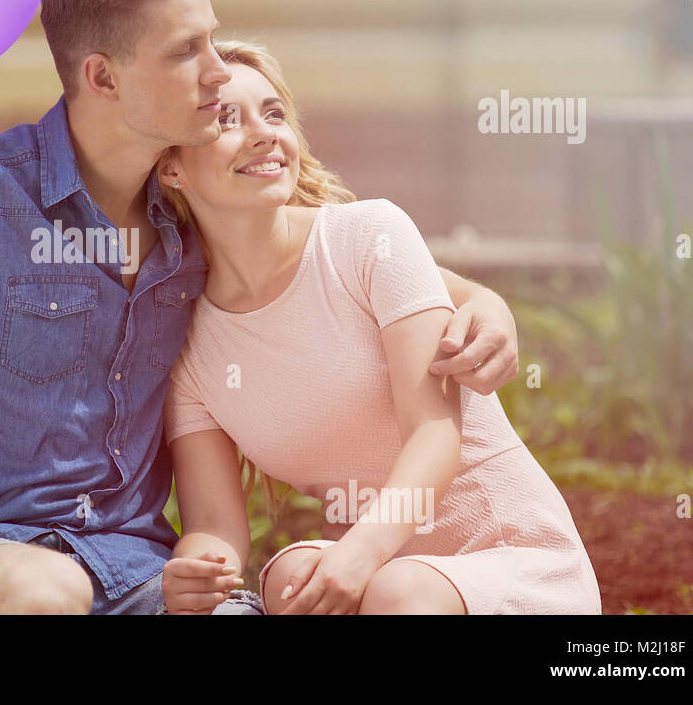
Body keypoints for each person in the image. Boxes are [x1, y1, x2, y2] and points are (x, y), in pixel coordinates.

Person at [0, 0, 522, 616]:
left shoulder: (192, 222)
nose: (216, 69)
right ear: (103, 76)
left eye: (210, 38)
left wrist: (485, 300)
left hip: (131, 568)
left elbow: (328, 251)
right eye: (185, 52)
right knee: (46, 592)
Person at [156, 39, 602, 615]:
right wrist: (197, 572)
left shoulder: (368, 237)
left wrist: (362, 553)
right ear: (172, 167)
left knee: (398, 590)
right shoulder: (188, 342)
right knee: (290, 576)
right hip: (386, 574)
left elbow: (433, 435)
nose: (266, 133)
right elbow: (215, 524)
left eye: (273, 113)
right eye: (227, 120)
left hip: (511, 560)